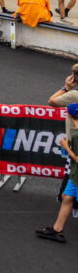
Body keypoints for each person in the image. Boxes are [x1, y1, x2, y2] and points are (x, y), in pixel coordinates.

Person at [35, 104, 78, 244]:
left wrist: (65, 146)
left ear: (69, 116)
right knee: (66, 197)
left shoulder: (77, 135)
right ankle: (57, 229)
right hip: (74, 175)